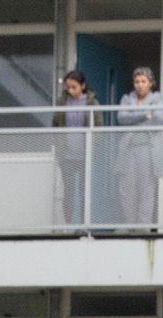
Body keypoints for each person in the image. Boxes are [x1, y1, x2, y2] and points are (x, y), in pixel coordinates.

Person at [116, 67, 163, 229]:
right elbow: (122, 118)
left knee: (146, 189)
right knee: (127, 188)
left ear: (150, 83)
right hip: (128, 149)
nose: (140, 85)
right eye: (137, 81)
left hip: (149, 150)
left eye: (143, 81)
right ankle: (130, 226)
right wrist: (144, 115)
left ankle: (143, 227)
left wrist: (134, 117)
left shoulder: (157, 99)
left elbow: (158, 119)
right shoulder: (126, 99)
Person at [52, 70, 101, 227]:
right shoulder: (62, 102)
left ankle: (83, 226)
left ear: (83, 86)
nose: (70, 90)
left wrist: (93, 145)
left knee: (84, 192)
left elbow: (99, 127)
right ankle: (68, 225)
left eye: (74, 87)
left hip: (85, 154)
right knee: (68, 192)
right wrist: (57, 143)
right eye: (68, 87)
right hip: (66, 155)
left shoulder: (92, 103)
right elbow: (55, 123)